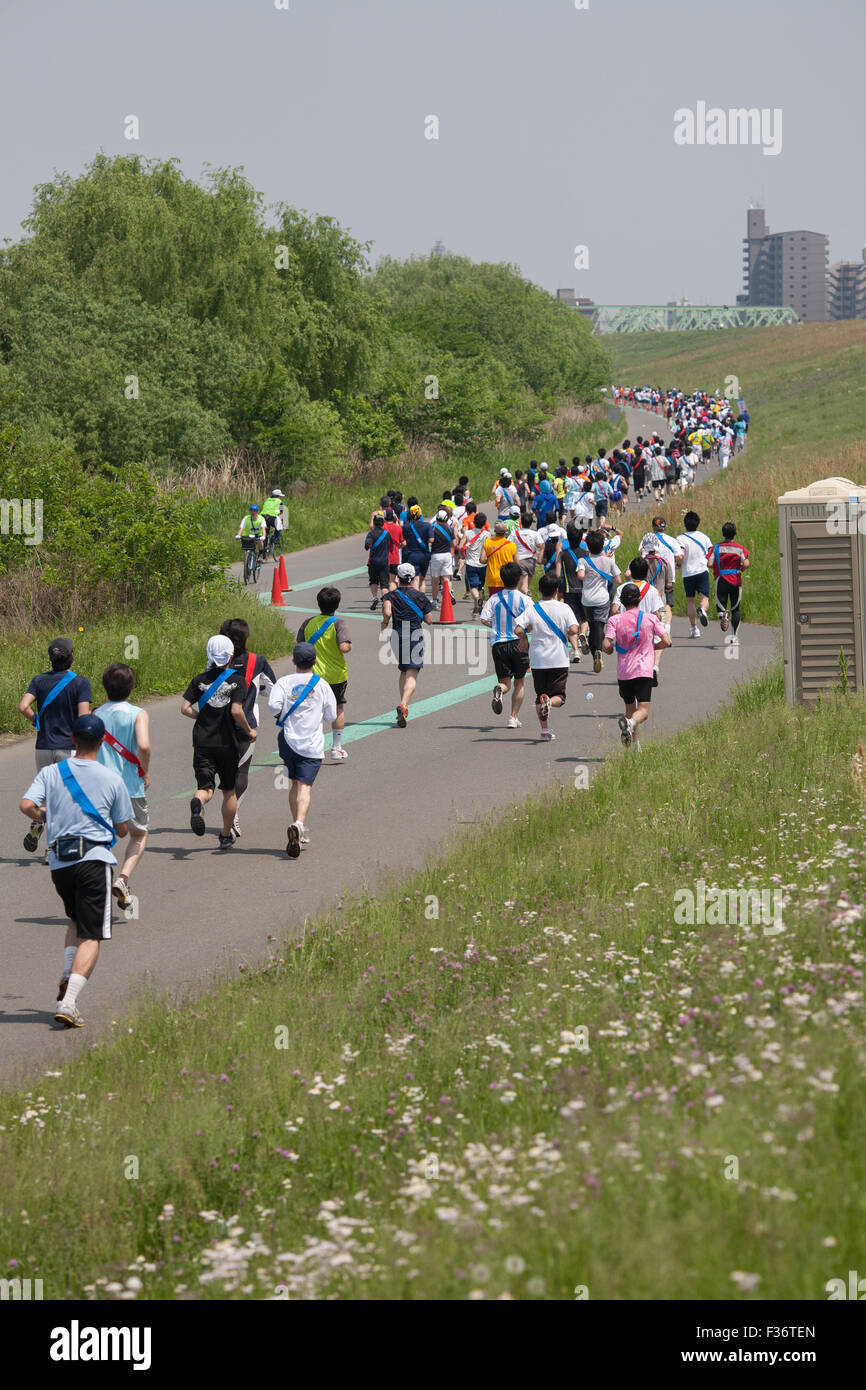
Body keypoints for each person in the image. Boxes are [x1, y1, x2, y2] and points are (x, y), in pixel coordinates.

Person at [20, 713, 132, 1028]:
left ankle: (69, 973)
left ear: (73, 739)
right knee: (93, 934)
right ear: (101, 742)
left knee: (75, 920)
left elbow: (26, 804)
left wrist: (46, 815)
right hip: (94, 860)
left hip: (60, 863)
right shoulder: (112, 778)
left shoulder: (53, 773)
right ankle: (69, 1002)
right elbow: (123, 830)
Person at [181, 635, 256, 850]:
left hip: (202, 742)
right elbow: (236, 711)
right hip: (227, 743)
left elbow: (184, 708)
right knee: (229, 790)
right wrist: (249, 730)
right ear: (231, 654)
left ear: (209, 654)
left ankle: (198, 802)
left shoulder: (199, 680)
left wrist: (201, 718)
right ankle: (225, 834)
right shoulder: (238, 680)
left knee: (206, 787)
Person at [19, 637, 92, 854]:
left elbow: (23, 706)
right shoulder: (80, 683)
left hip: (43, 747)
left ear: (50, 658)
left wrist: (36, 720)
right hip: (68, 747)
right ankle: (52, 848)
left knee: (49, 793)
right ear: (72, 656)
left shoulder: (38, 681)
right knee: (65, 799)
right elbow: (83, 717)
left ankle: (40, 820)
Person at [267, 642, 337, 858]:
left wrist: (282, 717)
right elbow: (332, 715)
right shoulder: (322, 684)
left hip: (288, 741)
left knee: (295, 783)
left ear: (294, 661)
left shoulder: (284, 682)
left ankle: (298, 827)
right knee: (305, 787)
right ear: (315, 661)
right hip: (311, 744)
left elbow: (273, 706)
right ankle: (298, 823)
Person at [94, 663, 150, 910]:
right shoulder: (138, 713)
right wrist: (144, 771)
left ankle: (97, 880)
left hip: (99, 784)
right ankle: (123, 878)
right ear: (132, 687)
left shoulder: (94, 714)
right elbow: (144, 745)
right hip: (129, 785)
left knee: (101, 835)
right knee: (139, 833)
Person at [221, 617, 277, 834]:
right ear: (246, 638)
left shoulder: (217, 661)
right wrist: (259, 690)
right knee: (242, 771)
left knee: (224, 771)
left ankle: (207, 798)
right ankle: (234, 816)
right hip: (246, 723)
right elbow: (273, 689)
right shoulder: (257, 660)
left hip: (219, 725)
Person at [603, 583, 671, 751]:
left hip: (624, 673)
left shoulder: (615, 620)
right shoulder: (650, 618)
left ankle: (635, 746)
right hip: (643, 670)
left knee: (630, 709)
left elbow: (606, 645)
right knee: (643, 712)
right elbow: (667, 641)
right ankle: (631, 723)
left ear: (622, 601)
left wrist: (611, 649)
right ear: (640, 599)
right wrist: (652, 647)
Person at [519, 573, 580, 741]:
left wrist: (525, 636)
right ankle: (549, 704)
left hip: (538, 660)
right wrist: (569, 631)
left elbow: (518, 629)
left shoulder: (533, 608)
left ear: (539, 590)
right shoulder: (564, 608)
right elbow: (574, 629)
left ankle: (545, 730)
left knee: (540, 694)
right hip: (558, 658)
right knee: (559, 697)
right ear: (557, 590)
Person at [296, 587, 352, 762]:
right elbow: (344, 647)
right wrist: (347, 646)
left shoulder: (307, 623)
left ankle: (311, 747)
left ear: (318, 604)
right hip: (335, 675)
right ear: (337, 604)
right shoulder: (338, 623)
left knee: (313, 710)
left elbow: (300, 645)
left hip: (311, 676)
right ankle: (336, 747)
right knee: (338, 708)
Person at [381, 563, 436, 726]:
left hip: (397, 634)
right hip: (414, 634)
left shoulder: (390, 596)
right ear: (412, 577)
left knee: (403, 670)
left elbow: (388, 612)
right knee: (413, 672)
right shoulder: (419, 596)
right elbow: (430, 620)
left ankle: (403, 705)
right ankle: (403, 705)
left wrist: (385, 622)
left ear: (397, 577)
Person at [481, 561, 532, 729]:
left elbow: (484, 619)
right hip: (519, 644)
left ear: (501, 579)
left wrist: (495, 627)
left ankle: (500, 689)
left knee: (506, 682)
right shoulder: (525, 599)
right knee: (519, 682)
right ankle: (513, 717)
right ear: (518, 579)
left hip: (498, 644)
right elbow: (532, 622)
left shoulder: (494, 599)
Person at [577, 529, 621, 674]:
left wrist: (585, 573)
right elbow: (618, 579)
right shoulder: (608, 561)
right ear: (602, 546)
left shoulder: (583, 560)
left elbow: (581, 575)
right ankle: (599, 651)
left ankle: (595, 654)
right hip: (602, 598)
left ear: (587, 547)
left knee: (590, 625)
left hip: (587, 599)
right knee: (599, 627)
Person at [711, 521, 750, 644]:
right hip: (736, 579)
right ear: (735, 534)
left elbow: (709, 563)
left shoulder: (716, 548)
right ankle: (734, 638)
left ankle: (723, 615)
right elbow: (746, 563)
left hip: (721, 579)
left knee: (720, 606)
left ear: (723, 534)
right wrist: (742, 569)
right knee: (736, 609)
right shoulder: (740, 548)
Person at [677, 511, 713, 637]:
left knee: (690, 601)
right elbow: (711, 552)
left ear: (685, 524)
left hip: (688, 573)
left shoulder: (681, 538)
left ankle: (694, 629)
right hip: (702, 570)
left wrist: (677, 565)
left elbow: (680, 556)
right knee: (704, 598)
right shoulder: (704, 537)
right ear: (698, 523)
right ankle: (702, 609)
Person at [462, 511, 490, 616]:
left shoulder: (468, 533)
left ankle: (477, 598)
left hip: (470, 563)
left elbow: (461, 545)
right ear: (484, 523)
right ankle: (477, 607)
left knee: (473, 587)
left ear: (474, 522)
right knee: (480, 587)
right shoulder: (487, 534)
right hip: (483, 564)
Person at [402, 505, 433, 593]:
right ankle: (422, 599)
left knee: (415, 578)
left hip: (412, 555)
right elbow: (431, 539)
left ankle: (416, 600)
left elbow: (403, 541)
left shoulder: (406, 527)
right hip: (424, 555)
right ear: (420, 514)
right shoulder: (427, 526)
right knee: (422, 579)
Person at [481, 522, 517, 598]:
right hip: (507, 578)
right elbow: (517, 563)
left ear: (495, 531)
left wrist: (490, 560)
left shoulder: (487, 542)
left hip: (492, 578)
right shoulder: (511, 545)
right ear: (506, 532)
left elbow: (482, 560)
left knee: (494, 602)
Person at [365, 515, 392, 609]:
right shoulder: (387, 534)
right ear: (383, 522)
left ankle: (375, 597)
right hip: (384, 562)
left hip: (373, 562)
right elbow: (391, 547)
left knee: (373, 581)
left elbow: (366, 546)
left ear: (375, 523)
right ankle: (385, 602)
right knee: (384, 583)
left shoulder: (371, 534)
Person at [513, 512, 542, 593]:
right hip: (532, 561)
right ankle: (526, 596)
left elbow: (508, 544)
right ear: (531, 523)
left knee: (523, 586)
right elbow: (541, 544)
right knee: (526, 585)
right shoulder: (535, 534)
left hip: (519, 561)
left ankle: (527, 596)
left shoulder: (514, 534)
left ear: (521, 522)